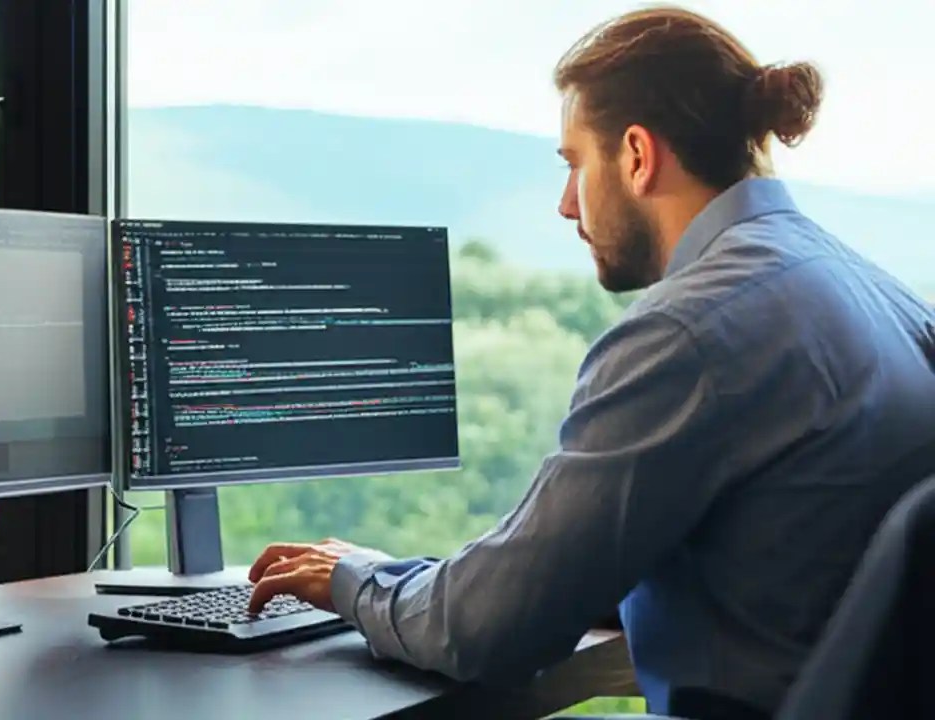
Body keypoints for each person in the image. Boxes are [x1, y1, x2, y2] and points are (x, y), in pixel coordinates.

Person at [246, 5, 935, 716]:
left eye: (575, 164)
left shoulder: (688, 333)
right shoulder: (883, 295)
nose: (566, 205)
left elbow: (483, 630)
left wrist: (356, 581)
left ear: (637, 156)